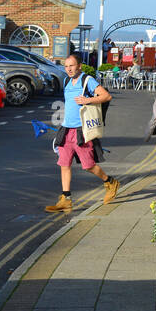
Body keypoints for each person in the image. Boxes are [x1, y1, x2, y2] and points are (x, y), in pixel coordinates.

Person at [45, 54, 117, 213]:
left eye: (72, 66)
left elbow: (106, 96)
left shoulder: (87, 80)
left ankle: (110, 182)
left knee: (88, 165)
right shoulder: (66, 81)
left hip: (81, 131)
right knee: (64, 164)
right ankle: (66, 199)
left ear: (80, 66)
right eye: (66, 66)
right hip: (66, 129)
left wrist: (87, 100)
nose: (69, 69)